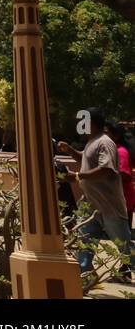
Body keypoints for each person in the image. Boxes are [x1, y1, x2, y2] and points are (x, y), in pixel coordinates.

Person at [58, 109, 132, 276]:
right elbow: (86, 158)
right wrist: (70, 150)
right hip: (91, 207)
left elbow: (106, 169)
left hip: (109, 207)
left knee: (125, 248)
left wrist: (76, 176)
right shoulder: (93, 141)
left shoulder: (105, 142)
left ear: (90, 123)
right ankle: (83, 278)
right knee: (85, 245)